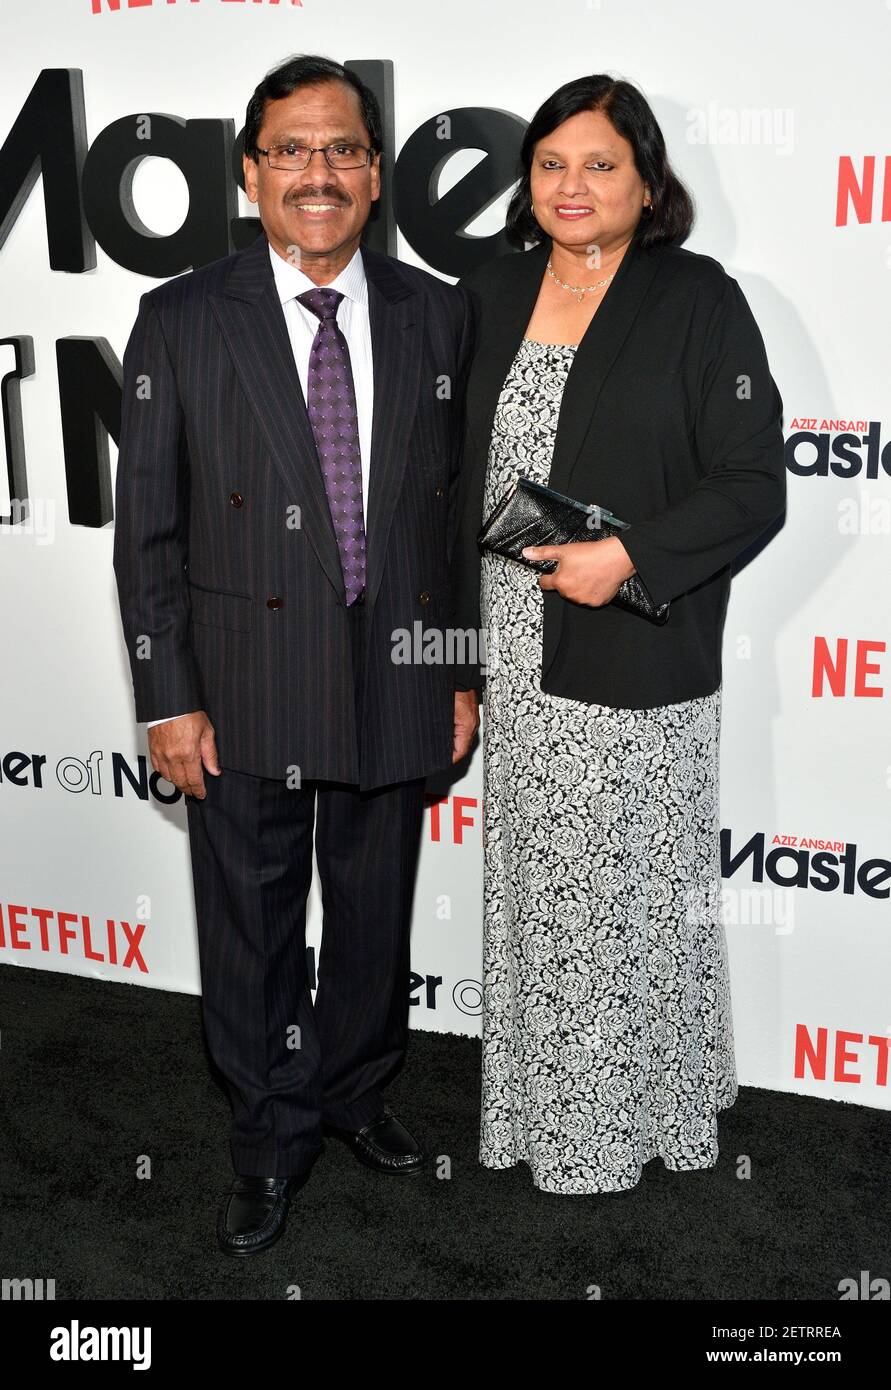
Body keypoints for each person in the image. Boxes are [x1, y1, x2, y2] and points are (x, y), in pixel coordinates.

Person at [113, 54, 479, 1254]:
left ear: (376, 174)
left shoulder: (437, 309)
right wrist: (168, 697)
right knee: (256, 927)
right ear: (252, 173)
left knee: (374, 916)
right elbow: (147, 531)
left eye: (342, 150)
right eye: (292, 151)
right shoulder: (181, 315)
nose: (317, 173)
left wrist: (460, 666)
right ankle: (268, 1136)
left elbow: (450, 507)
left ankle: (354, 1094)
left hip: (398, 675)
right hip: (244, 683)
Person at [450, 74, 786, 1195]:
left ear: (648, 180)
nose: (573, 186)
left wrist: (628, 556)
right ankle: (542, 1110)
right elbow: (456, 487)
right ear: (528, 180)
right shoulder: (487, 292)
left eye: (601, 164)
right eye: (552, 164)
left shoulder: (697, 299)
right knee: (541, 892)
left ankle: (629, 1117)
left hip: (636, 644)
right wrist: (456, 658)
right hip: (512, 641)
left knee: (627, 893)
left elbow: (751, 485)